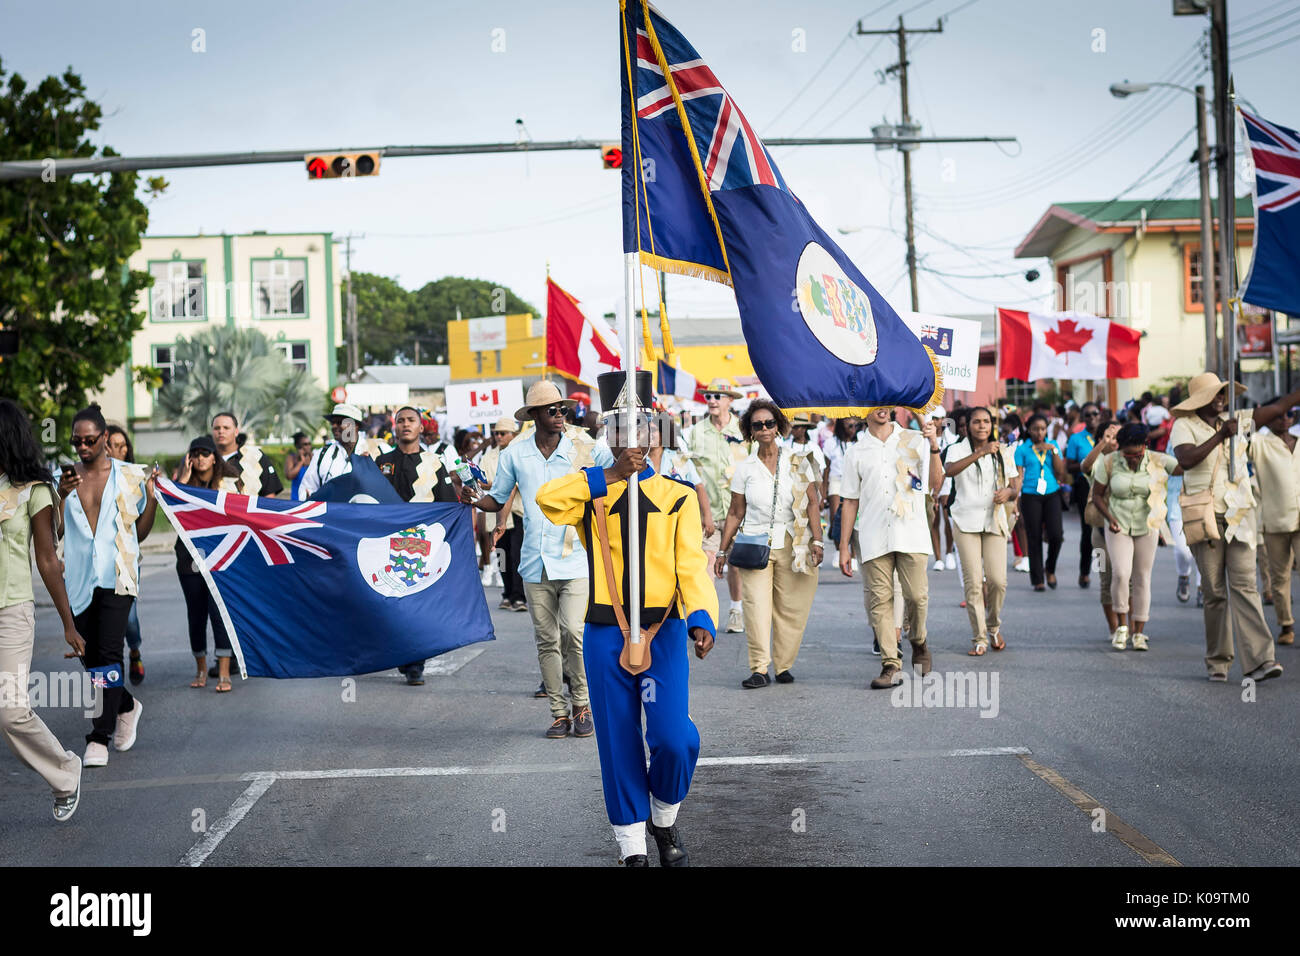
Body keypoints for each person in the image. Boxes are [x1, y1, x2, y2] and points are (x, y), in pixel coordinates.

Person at [535, 370, 716, 866]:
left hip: (662, 631)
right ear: (608, 438)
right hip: (603, 633)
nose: (634, 440)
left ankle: (664, 815)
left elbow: (690, 565)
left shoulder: (678, 496)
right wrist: (610, 475)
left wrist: (701, 615)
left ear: (657, 436)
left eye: (642, 430)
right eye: (621, 431)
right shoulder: (594, 490)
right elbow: (546, 501)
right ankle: (632, 848)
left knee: (673, 739)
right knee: (618, 741)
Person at [463, 380, 614, 737]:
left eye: (564, 409)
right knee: (546, 639)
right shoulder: (515, 454)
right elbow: (498, 499)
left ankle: (582, 705)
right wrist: (472, 496)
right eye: (553, 410)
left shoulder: (584, 447)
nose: (561, 415)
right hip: (534, 561)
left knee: (574, 634)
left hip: (576, 556)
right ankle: (559, 712)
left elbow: (616, 473)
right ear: (534, 416)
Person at [1169, 372, 1300, 682]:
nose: (1221, 399)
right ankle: (1218, 660)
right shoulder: (1183, 425)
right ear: (1201, 400)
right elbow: (1186, 459)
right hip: (1206, 516)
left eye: (1223, 394)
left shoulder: (1237, 419)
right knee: (1215, 593)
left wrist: (1294, 397)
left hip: (1239, 516)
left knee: (1246, 587)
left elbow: (1278, 406)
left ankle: (1260, 660)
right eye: (1215, 395)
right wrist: (1219, 436)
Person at [56, 405, 159, 767]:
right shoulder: (62, 478)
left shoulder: (130, 477)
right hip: (79, 579)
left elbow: (139, 533)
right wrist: (59, 495)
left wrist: (152, 498)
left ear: (104, 438)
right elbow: (53, 532)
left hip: (118, 576)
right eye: (75, 441)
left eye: (89, 440)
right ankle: (127, 704)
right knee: (91, 657)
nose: (82, 447)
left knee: (111, 654)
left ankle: (98, 736)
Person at [0, 399, 87, 821]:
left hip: (9, 612)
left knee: (11, 710)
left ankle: (65, 771)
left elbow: (48, 559)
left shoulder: (34, 490)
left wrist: (68, 624)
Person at [716, 400, 823, 688]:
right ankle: (759, 669)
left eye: (769, 423)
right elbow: (735, 512)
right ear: (749, 431)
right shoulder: (745, 467)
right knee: (756, 607)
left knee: (791, 607)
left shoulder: (798, 461)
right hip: (754, 541)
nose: (764, 429)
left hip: (793, 541)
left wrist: (819, 540)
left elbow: (813, 503)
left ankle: (784, 664)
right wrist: (722, 551)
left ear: (779, 426)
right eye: (757, 425)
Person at [838, 406, 943, 689]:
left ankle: (919, 641)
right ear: (863, 412)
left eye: (886, 403)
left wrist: (933, 445)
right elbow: (849, 501)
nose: (882, 409)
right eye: (875, 404)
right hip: (873, 534)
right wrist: (844, 547)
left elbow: (935, 484)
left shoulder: (914, 438)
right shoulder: (856, 452)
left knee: (917, 597)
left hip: (911, 532)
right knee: (880, 602)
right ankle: (891, 664)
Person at [376, 406, 460, 684]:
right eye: (400, 421)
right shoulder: (382, 462)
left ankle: (415, 663)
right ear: (394, 427)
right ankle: (402, 653)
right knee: (393, 602)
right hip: (387, 543)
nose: (405, 425)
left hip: (421, 544)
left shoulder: (435, 463)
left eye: (411, 420)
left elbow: (448, 504)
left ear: (421, 427)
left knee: (417, 602)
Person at [1091, 423, 1181, 651]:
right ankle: (1122, 627)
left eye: (1137, 454)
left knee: (1142, 577)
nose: (1132, 459)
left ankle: (1139, 632)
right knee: (1121, 574)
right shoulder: (1109, 461)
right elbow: (1098, 495)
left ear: (1145, 447)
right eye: (1128, 454)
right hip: (1117, 524)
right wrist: (1108, 517)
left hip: (1148, 524)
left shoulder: (1158, 460)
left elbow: (1184, 467)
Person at [942, 406, 1020, 655]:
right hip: (965, 522)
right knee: (974, 583)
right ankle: (980, 638)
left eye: (986, 421)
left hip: (994, 520)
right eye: (977, 422)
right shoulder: (957, 448)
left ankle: (993, 626)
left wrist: (1008, 492)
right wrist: (981, 452)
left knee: (998, 581)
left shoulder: (1003, 450)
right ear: (968, 425)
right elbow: (949, 470)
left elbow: (1014, 484)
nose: (982, 426)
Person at [174, 436, 242, 690]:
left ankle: (224, 672)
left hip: (222, 559)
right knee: (196, 614)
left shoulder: (229, 484)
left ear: (215, 457)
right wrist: (181, 483)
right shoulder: (181, 485)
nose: (201, 458)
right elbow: (173, 519)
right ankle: (201, 669)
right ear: (190, 458)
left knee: (221, 615)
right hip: (189, 560)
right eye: (196, 453)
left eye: (205, 453)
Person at [686, 379, 747, 633]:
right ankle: (707, 616)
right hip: (706, 512)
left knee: (735, 564)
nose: (711, 400)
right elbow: (688, 470)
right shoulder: (696, 432)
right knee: (707, 562)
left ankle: (736, 610)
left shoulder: (743, 431)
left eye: (717, 396)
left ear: (729, 401)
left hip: (738, 510)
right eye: (709, 396)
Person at [1248, 400, 1300, 646]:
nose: (1284, 419)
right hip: (1275, 521)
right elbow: (1243, 432)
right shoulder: (1260, 444)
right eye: (1278, 415)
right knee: (1280, 578)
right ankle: (1286, 625)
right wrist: (1261, 413)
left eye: (1289, 414)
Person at [105, 424, 145, 685]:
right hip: (94, 565)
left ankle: (135, 650)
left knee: (128, 620)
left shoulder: (134, 477)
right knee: (100, 634)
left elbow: (139, 524)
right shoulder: (84, 476)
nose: (118, 450)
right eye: (112, 445)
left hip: (125, 559)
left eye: (123, 445)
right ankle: (108, 690)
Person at [1015, 413, 1068, 591]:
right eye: (1035, 429)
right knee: (1034, 535)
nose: (1039, 432)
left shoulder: (1052, 446)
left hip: (1051, 492)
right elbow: (1018, 476)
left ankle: (1050, 569)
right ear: (1028, 430)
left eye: (1043, 429)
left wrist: (1053, 451)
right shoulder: (1022, 449)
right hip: (1030, 495)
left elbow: (1061, 473)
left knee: (1056, 535)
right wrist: (1016, 500)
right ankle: (1037, 579)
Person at [481, 418, 528, 612]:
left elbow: (521, 480)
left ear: (513, 434)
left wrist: (499, 484)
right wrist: (500, 485)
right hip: (496, 512)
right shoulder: (489, 455)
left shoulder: (520, 453)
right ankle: (507, 594)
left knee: (517, 556)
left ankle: (519, 596)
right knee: (501, 556)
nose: (498, 436)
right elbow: (482, 480)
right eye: (496, 433)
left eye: (502, 433)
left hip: (516, 511)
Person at [297, 403, 372, 499]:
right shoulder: (322, 454)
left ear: (355, 425)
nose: (334, 426)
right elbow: (307, 488)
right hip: (330, 513)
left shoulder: (375, 451)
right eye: (332, 423)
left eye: (340, 422)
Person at [1066, 402, 1102, 588]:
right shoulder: (1076, 439)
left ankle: (1103, 570)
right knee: (1088, 529)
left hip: (1106, 485)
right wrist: (1086, 464)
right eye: (1087, 415)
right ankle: (1085, 571)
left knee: (1104, 530)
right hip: (1084, 486)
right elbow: (1069, 466)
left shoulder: (1108, 437)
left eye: (1095, 413)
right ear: (1083, 418)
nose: (1092, 417)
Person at [211, 412, 283, 498]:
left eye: (226, 428)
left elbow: (269, 494)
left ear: (236, 432)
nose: (221, 431)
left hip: (251, 511)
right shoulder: (204, 458)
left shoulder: (256, 456)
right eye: (216, 428)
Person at [286, 432, 313, 500]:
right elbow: (289, 476)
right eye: (305, 444)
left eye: (309, 444)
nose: (308, 446)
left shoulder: (314, 457)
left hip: (312, 499)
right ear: (298, 446)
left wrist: (312, 457)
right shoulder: (291, 458)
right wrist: (301, 462)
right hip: (296, 499)